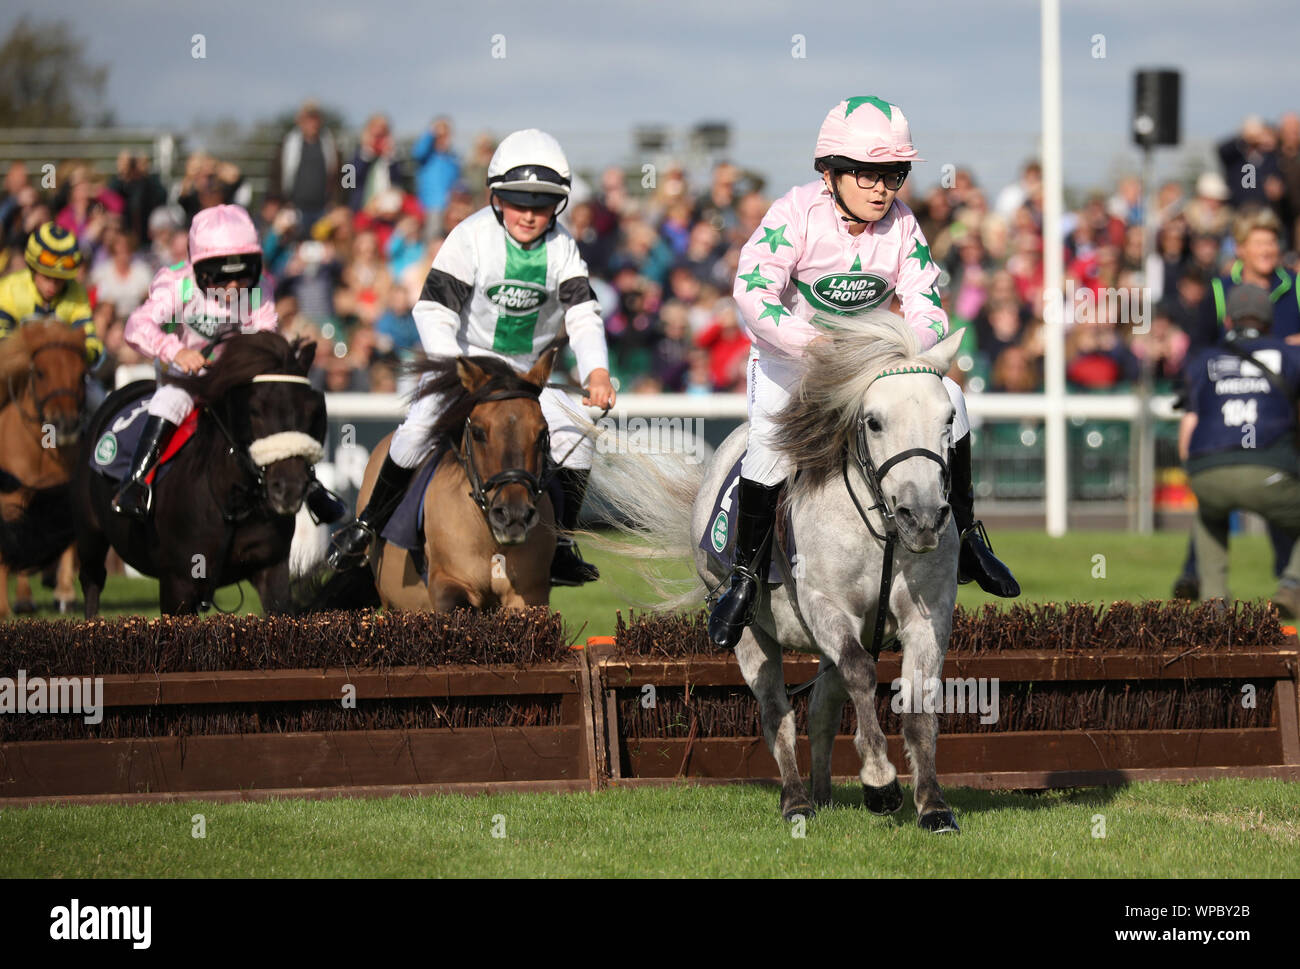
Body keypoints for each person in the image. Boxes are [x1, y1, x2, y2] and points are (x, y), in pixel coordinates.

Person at [708, 96, 1019, 651]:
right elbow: (751, 293)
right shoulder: (793, 213)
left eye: (894, 175)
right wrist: (816, 347)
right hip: (792, 366)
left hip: (874, 369)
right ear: (829, 173)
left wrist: (907, 351)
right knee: (766, 448)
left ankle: (969, 537)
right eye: (868, 175)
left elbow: (927, 307)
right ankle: (745, 577)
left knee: (950, 395)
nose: (882, 188)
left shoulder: (903, 225)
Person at [327, 129, 616, 586]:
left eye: (541, 205)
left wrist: (597, 369)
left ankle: (559, 543)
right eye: (518, 201)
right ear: (496, 198)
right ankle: (366, 528)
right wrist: (455, 371)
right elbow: (433, 308)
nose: (529, 214)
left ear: (557, 206)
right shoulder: (471, 237)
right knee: (416, 430)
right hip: (466, 370)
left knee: (581, 432)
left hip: (526, 380)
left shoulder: (563, 248)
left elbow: (583, 315)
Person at [114, 204, 345, 523]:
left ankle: (310, 486)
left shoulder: (259, 289)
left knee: (282, 405)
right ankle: (135, 481)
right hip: (185, 378)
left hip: (238, 382)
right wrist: (176, 352)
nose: (236, 287)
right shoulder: (177, 284)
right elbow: (136, 327)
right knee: (171, 401)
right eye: (224, 276)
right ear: (202, 268)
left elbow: (264, 337)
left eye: (242, 274)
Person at [1179, 284, 1300, 615]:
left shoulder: (1203, 360)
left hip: (1207, 469)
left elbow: (1188, 421)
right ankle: (1293, 585)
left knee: (1210, 515)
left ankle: (1214, 601)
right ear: (1269, 320)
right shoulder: (1290, 355)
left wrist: (1194, 473)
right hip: (1268, 467)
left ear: (1228, 320)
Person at [0, 222, 101, 366]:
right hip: (18, 373)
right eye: (47, 277)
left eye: (59, 280)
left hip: (62, 370)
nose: (52, 285)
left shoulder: (77, 292)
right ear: (33, 269)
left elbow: (92, 345)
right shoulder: (8, 288)